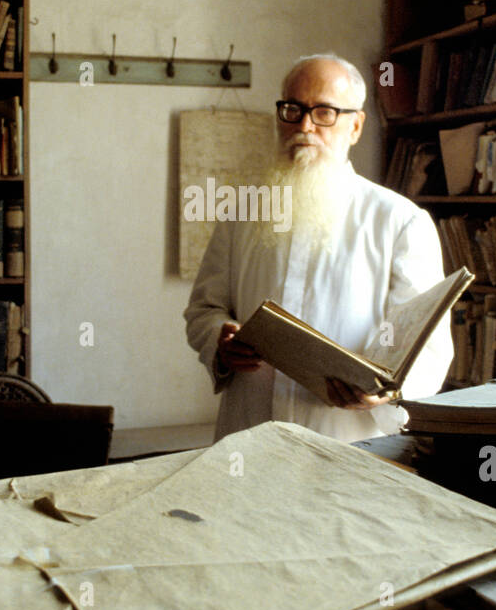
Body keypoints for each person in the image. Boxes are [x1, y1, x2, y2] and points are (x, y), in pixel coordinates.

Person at [183, 54, 453, 443]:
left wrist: (384, 391)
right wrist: (220, 339)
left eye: (324, 112)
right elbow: (203, 309)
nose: (304, 126)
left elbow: (426, 345)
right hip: (247, 438)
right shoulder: (242, 212)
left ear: (356, 126)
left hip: (349, 444)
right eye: (292, 110)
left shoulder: (399, 222)